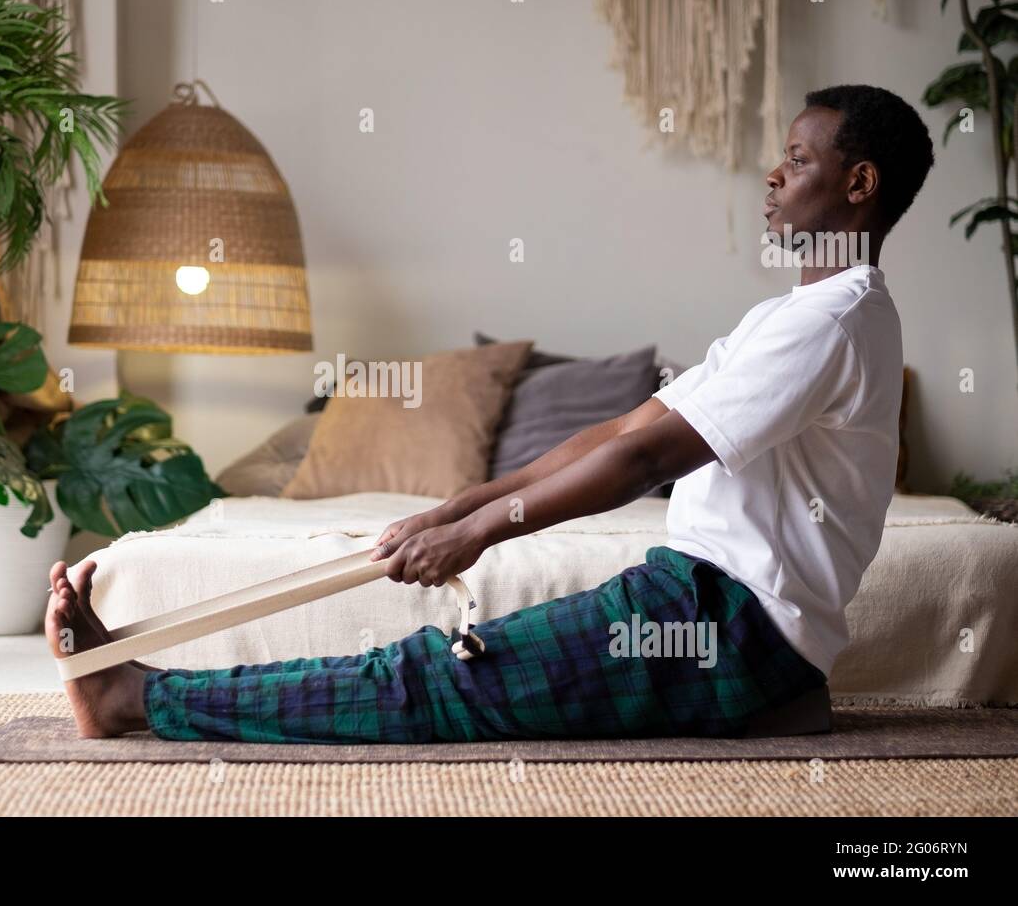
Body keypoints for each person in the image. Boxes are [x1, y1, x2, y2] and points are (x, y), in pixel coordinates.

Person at [46, 85, 934, 742]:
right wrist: (464, 505)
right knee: (443, 667)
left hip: (725, 623)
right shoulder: (793, 314)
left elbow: (640, 465)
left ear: (859, 183)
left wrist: (482, 538)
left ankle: (136, 697)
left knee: (430, 679)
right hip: (705, 604)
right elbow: (619, 432)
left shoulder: (833, 319)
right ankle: (780, 691)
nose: (773, 175)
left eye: (800, 159)